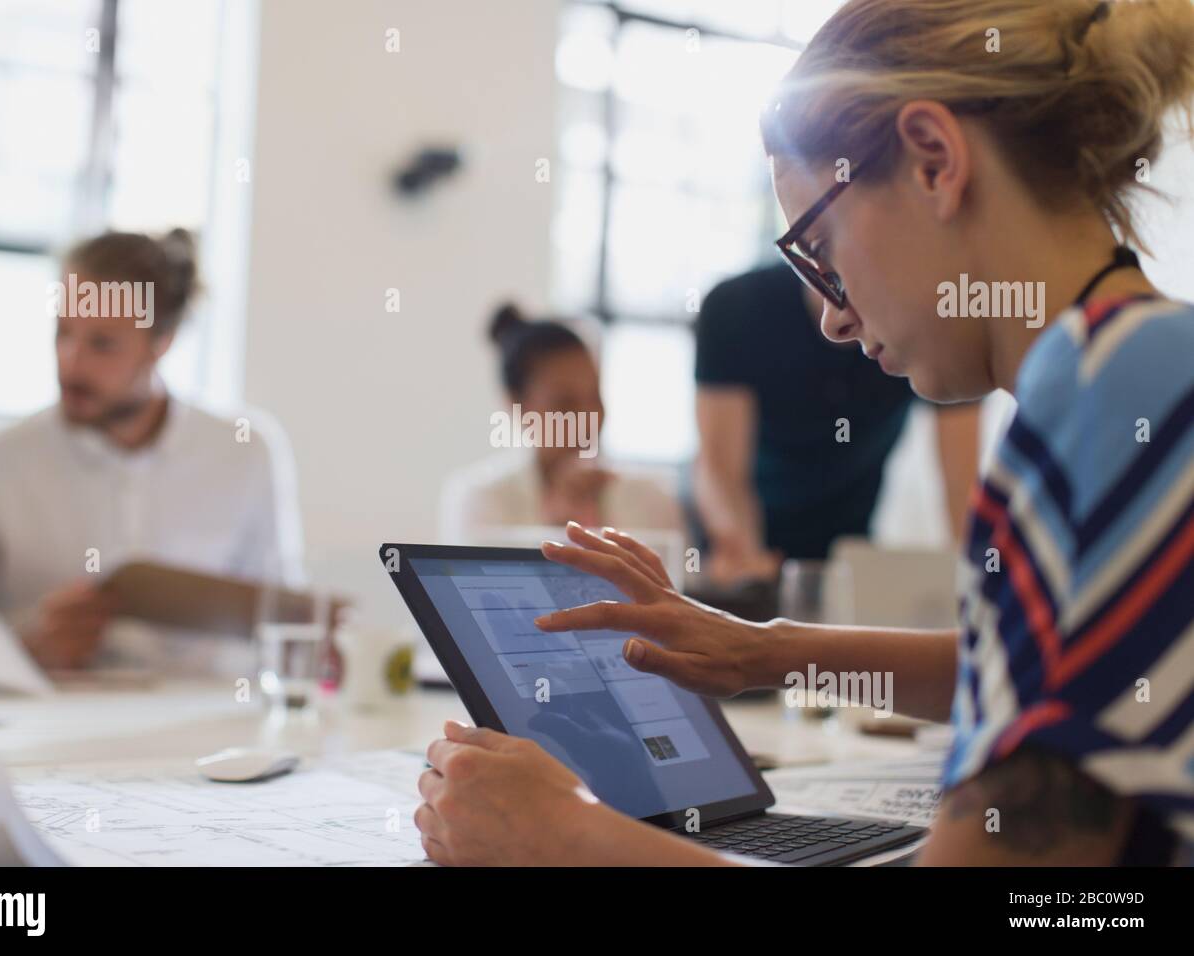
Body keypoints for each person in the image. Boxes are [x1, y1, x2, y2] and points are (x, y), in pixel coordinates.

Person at [413, 0, 1194, 865]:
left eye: (820, 248)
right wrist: (763, 651)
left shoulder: (1110, 400)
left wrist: (563, 837)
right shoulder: (1136, 371)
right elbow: (1035, 668)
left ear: (935, 161)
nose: (828, 316)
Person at [0, 229, 303, 673]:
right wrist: (25, 646)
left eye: (102, 343)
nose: (71, 362)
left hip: (207, 721)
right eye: (63, 332)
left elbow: (284, 625)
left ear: (162, 343)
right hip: (43, 725)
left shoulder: (244, 453)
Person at [694, 262, 981, 580]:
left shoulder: (926, 326)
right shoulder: (737, 308)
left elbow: (963, 486)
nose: (834, 322)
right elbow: (721, 472)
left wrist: (976, 580)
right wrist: (743, 554)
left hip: (848, 553)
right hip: (741, 546)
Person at [440, 303, 685, 546]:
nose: (590, 416)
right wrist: (556, 529)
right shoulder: (481, 498)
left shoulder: (652, 498)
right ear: (516, 404)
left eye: (595, 396)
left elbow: (676, 581)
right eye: (564, 405)